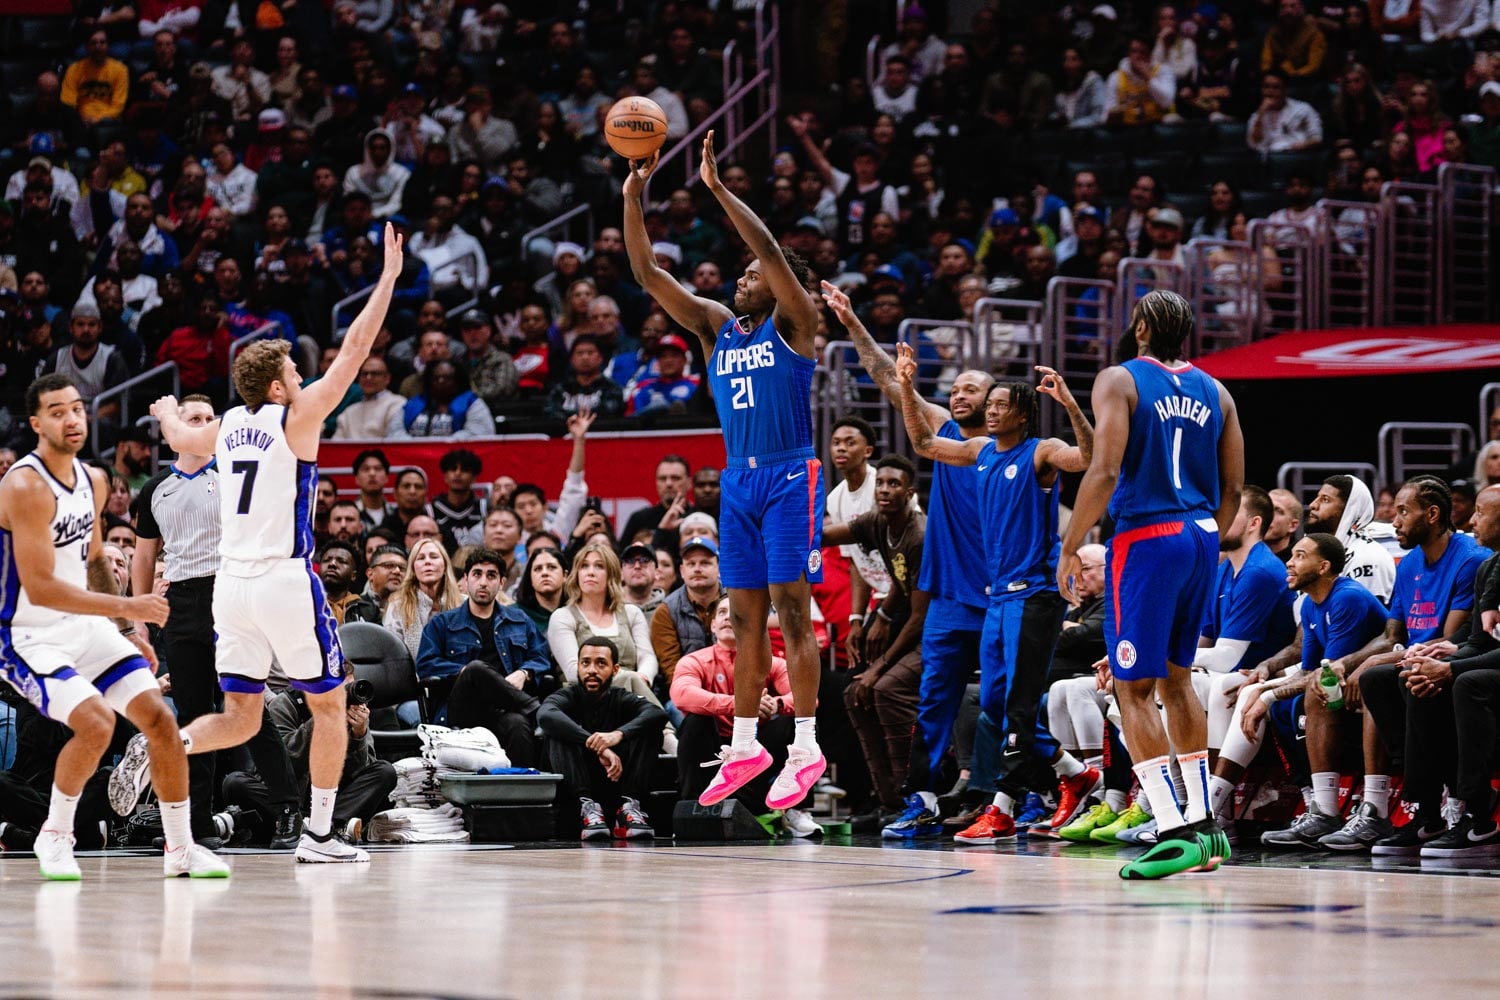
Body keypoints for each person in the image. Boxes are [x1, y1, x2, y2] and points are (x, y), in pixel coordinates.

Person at [130, 222, 405, 865]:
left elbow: (177, 434)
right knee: (330, 704)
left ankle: (167, 743)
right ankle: (319, 836)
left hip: (231, 587)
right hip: (284, 579)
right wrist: (386, 279)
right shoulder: (297, 419)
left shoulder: (223, 427)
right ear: (279, 389)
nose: (305, 379)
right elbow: (357, 348)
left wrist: (168, 409)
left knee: (241, 717)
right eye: (294, 372)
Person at [623, 133, 826, 813]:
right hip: (738, 479)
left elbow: (769, 250)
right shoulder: (717, 329)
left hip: (790, 474)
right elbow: (648, 272)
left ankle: (805, 742)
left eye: (750, 275)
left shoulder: (795, 323)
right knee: (742, 620)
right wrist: (633, 195)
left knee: (793, 613)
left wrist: (717, 189)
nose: (740, 277)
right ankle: (744, 743)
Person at [0, 373, 226, 880]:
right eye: (57, 411)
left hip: (85, 625)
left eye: (77, 408)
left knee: (162, 722)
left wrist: (127, 627)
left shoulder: (95, 480)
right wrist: (141, 608)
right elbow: (40, 587)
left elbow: (98, 557)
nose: (72, 419)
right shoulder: (22, 485)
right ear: (36, 423)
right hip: (28, 633)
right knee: (96, 723)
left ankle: (181, 846)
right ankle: (56, 836)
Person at [1057, 289, 1245, 879]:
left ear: (1140, 328)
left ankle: (1169, 823)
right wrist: (1203, 527)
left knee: (1132, 689)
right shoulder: (1218, 390)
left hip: (1146, 536)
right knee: (1178, 678)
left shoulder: (1121, 379)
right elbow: (1235, 490)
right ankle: (1205, 824)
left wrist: (1070, 542)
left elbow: (1106, 469)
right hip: (1202, 532)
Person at [821, 281, 1002, 839]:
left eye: (973, 388)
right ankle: (920, 799)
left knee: (997, 704)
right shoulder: (942, 434)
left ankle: (995, 799)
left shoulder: (1010, 455)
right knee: (929, 701)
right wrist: (851, 322)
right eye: (957, 387)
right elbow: (882, 374)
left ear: (999, 407)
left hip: (998, 595)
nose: (959, 393)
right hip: (947, 599)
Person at [897, 349, 1101, 840]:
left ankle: (1005, 808)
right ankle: (1075, 772)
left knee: (1015, 707)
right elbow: (924, 442)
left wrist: (1071, 404)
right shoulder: (979, 452)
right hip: (998, 598)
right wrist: (906, 384)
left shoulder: (1042, 451)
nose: (989, 410)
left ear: (1024, 413)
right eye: (987, 404)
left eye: (1000, 404)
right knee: (993, 703)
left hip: (1036, 594)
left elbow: (1090, 458)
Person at [130, 393, 302, 850]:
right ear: (175, 429)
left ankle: (288, 807)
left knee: (246, 708)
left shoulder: (232, 476)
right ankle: (198, 823)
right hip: (182, 603)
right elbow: (145, 555)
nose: (205, 424)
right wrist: (141, 612)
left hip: (231, 594)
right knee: (193, 715)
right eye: (195, 418)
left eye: (210, 418)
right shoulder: (155, 489)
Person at [821, 455, 928, 818]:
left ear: (910, 492)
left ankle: (917, 795)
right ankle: (888, 802)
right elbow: (824, 536)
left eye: (894, 484)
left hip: (939, 632)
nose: (883, 489)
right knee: (854, 694)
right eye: (880, 483)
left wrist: (879, 666)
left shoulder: (919, 535)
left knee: (882, 689)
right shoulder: (879, 522)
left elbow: (919, 616)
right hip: (906, 622)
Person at [670, 597, 817, 835]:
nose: (728, 617)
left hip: (760, 754)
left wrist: (777, 705)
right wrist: (740, 705)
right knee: (695, 721)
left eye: (735, 610)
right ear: (712, 626)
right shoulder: (694, 660)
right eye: (721, 613)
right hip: (715, 753)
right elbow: (681, 695)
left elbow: (807, 697)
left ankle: (795, 808)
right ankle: (693, 808)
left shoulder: (773, 663)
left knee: (797, 722)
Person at [416, 548, 550, 766]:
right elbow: (426, 665)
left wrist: (524, 673)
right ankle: (538, 711)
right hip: (461, 708)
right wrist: (463, 673)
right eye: (477, 574)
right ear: (466, 580)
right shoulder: (443, 623)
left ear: (502, 583)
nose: (483, 582)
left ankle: (522, 793)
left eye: (491, 575)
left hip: (504, 709)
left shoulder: (519, 620)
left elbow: (541, 656)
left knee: (518, 726)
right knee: (475, 669)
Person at [538, 636, 667, 840]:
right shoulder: (566, 695)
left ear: (615, 670)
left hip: (615, 779)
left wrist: (617, 735)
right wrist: (599, 746)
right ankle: (586, 808)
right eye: (585, 663)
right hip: (575, 788)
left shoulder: (621, 697)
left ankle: (628, 807)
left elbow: (657, 714)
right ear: (578, 666)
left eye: (601, 663)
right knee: (557, 730)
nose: (591, 670)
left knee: (650, 729)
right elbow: (545, 715)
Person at [650, 536, 723, 687]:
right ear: (682, 571)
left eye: (705, 563)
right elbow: (672, 669)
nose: (697, 568)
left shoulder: (737, 602)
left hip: (734, 687)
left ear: (719, 569)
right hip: (687, 689)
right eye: (691, 564)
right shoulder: (666, 611)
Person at [384, 537, 463, 662]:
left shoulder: (464, 604)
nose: (427, 562)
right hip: (412, 678)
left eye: (434, 556)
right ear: (414, 570)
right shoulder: (398, 606)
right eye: (421, 558)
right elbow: (393, 654)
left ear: (445, 567)